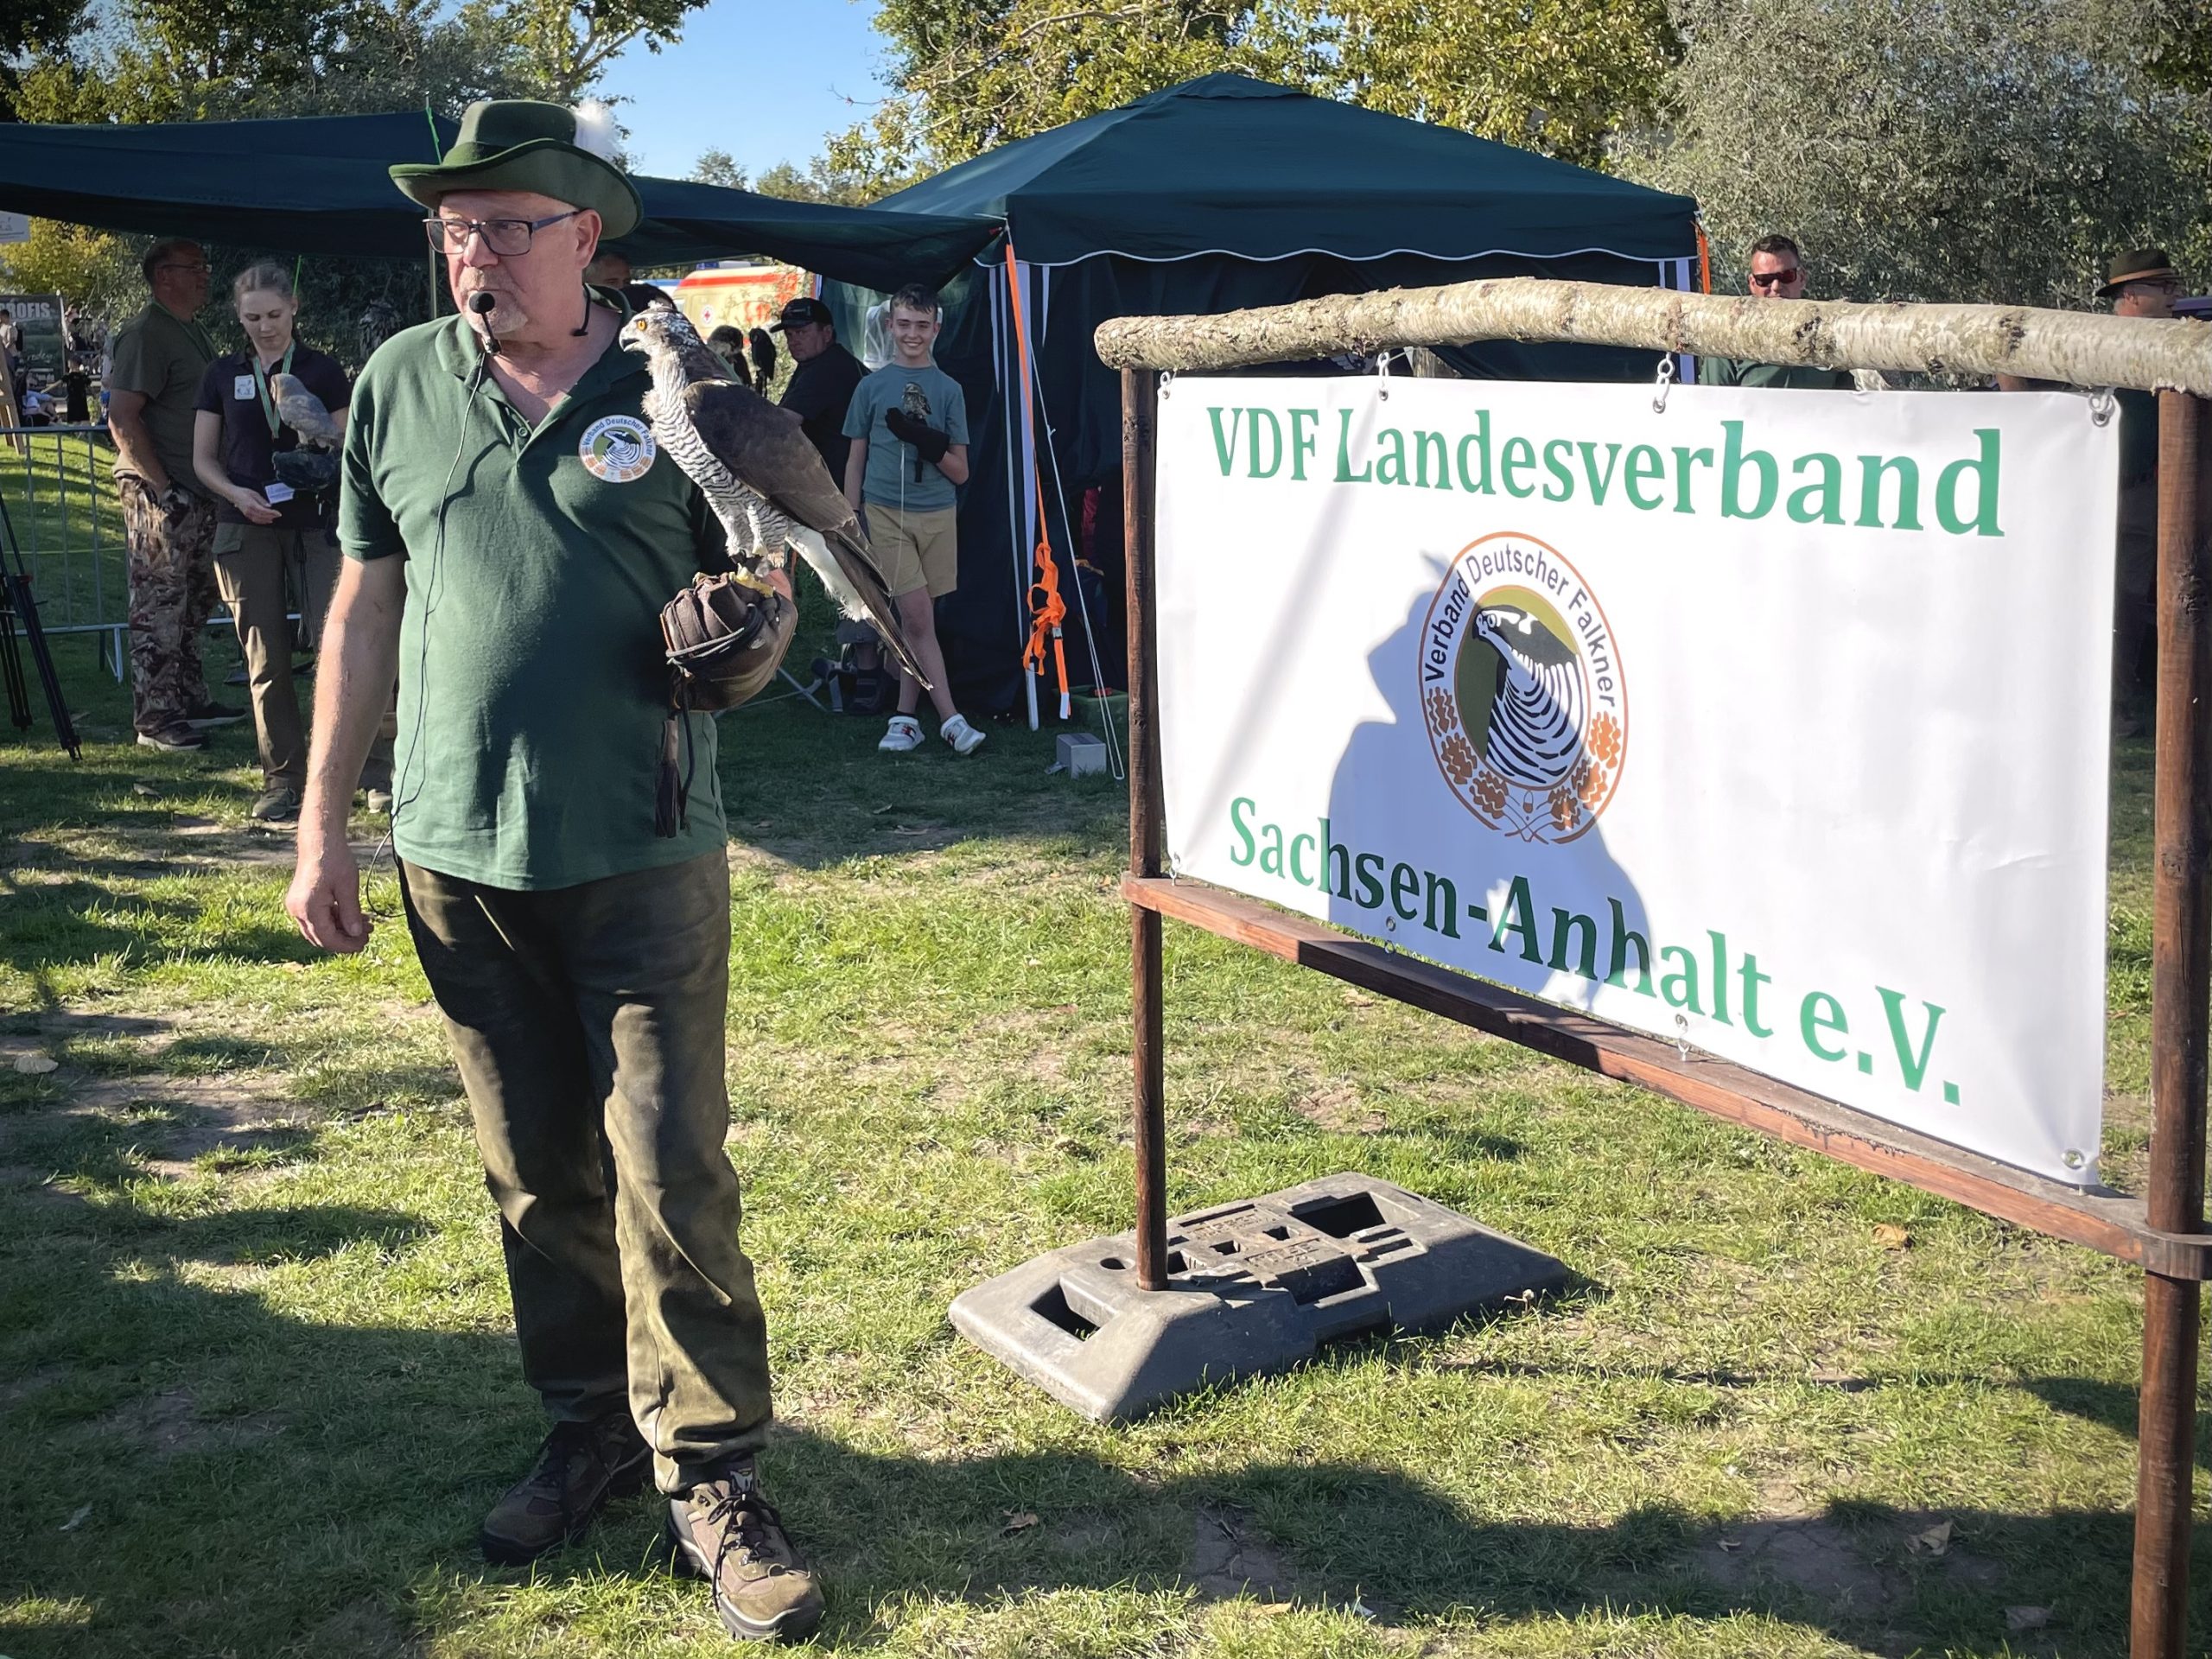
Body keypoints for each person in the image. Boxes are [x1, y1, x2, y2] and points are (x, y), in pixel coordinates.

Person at [283, 99, 823, 1644]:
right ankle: (587, 1429)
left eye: (507, 228)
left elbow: (764, 572)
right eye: (454, 230)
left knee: (669, 1167)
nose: (475, 256)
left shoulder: (671, 392)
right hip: (454, 854)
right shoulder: (399, 380)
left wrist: (755, 637)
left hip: (642, 847)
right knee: (533, 1173)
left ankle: (711, 1472)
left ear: (585, 236)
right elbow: (364, 609)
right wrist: (323, 826)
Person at [192, 262, 393, 822]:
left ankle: (374, 771)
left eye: (274, 315)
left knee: (347, 646)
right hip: (245, 523)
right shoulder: (221, 373)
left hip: (316, 522)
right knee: (265, 659)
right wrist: (236, 495)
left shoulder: (321, 370)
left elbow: (350, 445)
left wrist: (325, 457)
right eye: (253, 317)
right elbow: (202, 458)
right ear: (238, 316)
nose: (265, 327)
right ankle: (282, 779)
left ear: (294, 309)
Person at [109, 238, 245, 752]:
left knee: (195, 599)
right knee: (159, 604)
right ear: (163, 275)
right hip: (160, 492)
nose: (205, 275)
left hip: (196, 489)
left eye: (204, 266)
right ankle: (155, 716)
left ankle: (189, 698)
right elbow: (123, 416)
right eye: (194, 267)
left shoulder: (189, 328)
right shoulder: (147, 334)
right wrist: (163, 488)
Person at [842, 283, 986, 755]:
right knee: (917, 618)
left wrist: (928, 443)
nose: (912, 334)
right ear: (889, 325)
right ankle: (951, 719)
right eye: (904, 324)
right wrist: (849, 519)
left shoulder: (949, 390)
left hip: (938, 514)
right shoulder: (870, 387)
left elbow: (961, 472)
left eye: (922, 325)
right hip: (885, 512)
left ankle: (904, 718)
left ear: (936, 329)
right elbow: (855, 459)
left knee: (917, 623)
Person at [2101, 247, 2180, 735]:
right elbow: (2011, 371)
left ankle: (2119, 703)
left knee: (2129, 600)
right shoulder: (2088, 342)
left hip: (2141, 492)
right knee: (2103, 596)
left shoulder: (2173, 343)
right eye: (2164, 287)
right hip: (2094, 494)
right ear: (2131, 295)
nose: (2175, 296)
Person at [1699, 235, 1856, 391]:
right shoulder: (1727, 338)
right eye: (1764, 279)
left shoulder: (1831, 331)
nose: (1775, 287)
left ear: (1802, 278)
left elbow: (1849, 399)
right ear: (1752, 284)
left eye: (1786, 276)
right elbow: (1711, 403)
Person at [772, 297, 861, 481]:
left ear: (827, 333)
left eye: (801, 332)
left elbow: (781, 424)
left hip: (835, 483)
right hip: (837, 479)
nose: (794, 341)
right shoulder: (824, 361)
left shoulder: (827, 369)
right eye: (789, 335)